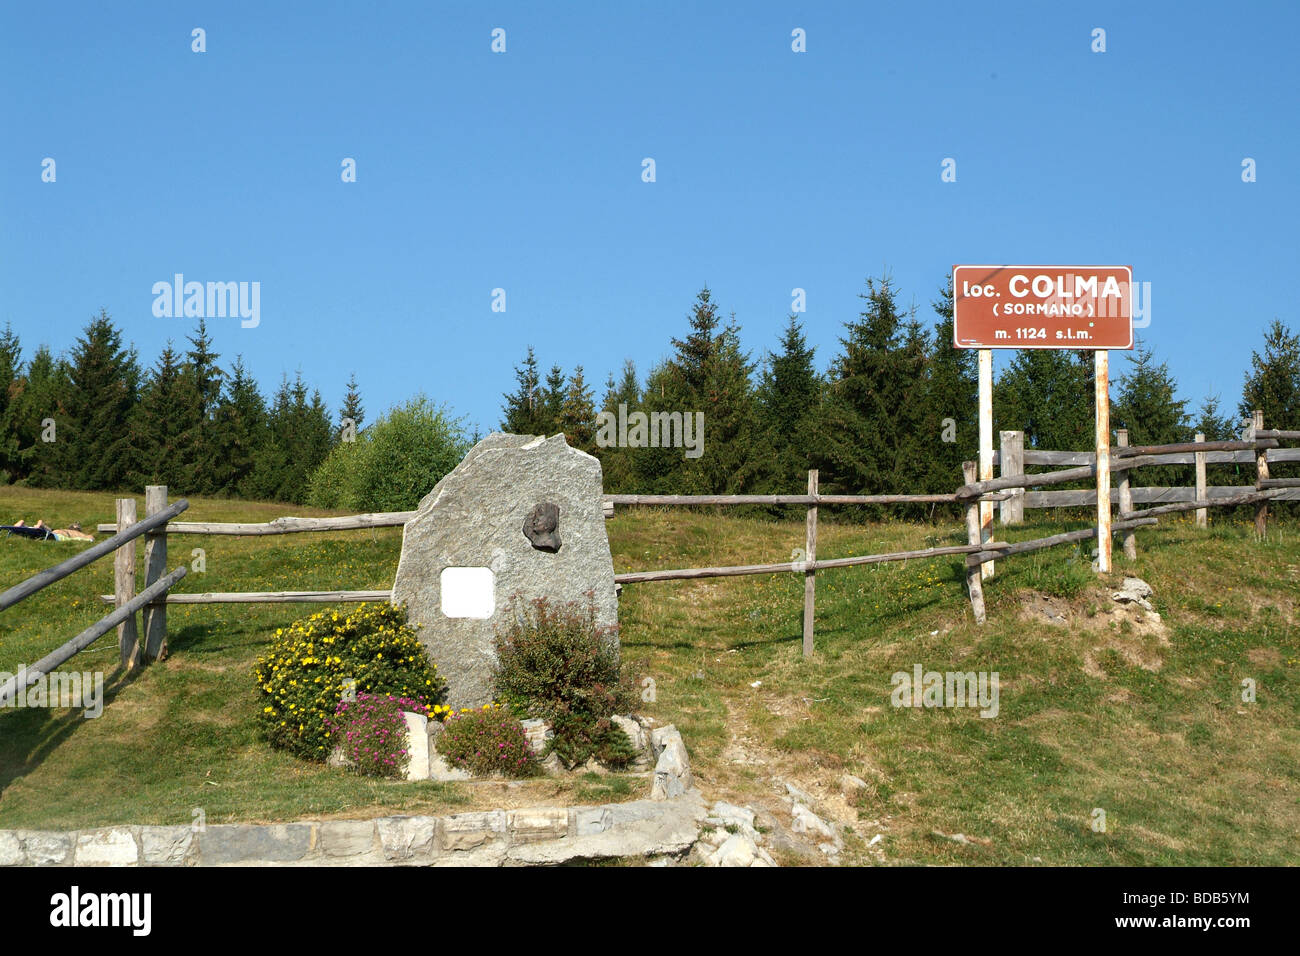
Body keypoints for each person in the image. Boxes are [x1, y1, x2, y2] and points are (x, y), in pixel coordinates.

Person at [11, 519, 93, 541]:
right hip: (60, 535)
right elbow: (91, 537)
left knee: (45, 531)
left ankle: (24, 525)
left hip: (56, 531)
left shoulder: (66, 529)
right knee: (45, 532)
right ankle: (39, 526)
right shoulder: (80, 534)